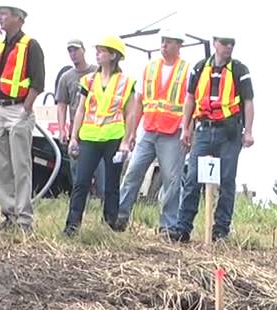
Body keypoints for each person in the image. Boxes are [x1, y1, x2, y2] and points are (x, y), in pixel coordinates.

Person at [171, 35, 255, 243]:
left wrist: (248, 131)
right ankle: (183, 228)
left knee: (227, 181)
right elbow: (190, 98)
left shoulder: (240, 70)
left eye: (232, 43)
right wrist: (186, 129)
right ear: (215, 43)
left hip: (229, 132)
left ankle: (221, 231)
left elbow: (248, 101)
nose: (229, 47)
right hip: (204, 129)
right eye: (225, 43)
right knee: (192, 179)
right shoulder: (200, 68)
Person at [115, 28, 190, 234]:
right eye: (163, 41)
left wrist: (187, 130)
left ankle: (168, 226)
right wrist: (131, 133)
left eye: (169, 41)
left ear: (179, 45)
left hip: (172, 133)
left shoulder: (186, 70)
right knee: (133, 173)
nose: (164, 45)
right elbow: (139, 102)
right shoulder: (150, 68)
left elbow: (190, 104)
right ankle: (119, 217)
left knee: (171, 181)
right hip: (149, 130)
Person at [63, 36, 137, 236]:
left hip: (113, 138)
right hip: (89, 138)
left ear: (113, 55)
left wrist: (126, 142)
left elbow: (131, 112)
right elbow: (80, 110)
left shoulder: (125, 82)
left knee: (111, 185)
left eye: (101, 50)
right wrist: (74, 137)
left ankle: (110, 224)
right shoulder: (88, 80)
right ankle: (72, 225)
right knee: (81, 182)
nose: (97, 53)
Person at [0, 5, 44, 232]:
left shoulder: (31, 45)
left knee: (21, 165)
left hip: (18, 109)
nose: (1, 17)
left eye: (5, 13)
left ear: (19, 18)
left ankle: (24, 219)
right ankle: (8, 214)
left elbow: (38, 82)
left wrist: (25, 110)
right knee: (0, 165)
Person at [54, 38, 105, 198]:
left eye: (76, 50)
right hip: (77, 135)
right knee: (78, 177)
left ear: (83, 50)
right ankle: (81, 209)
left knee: (102, 176)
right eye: (70, 51)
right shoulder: (66, 78)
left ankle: (106, 212)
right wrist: (62, 129)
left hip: (99, 131)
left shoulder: (98, 72)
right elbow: (61, 104)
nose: (73, 54)